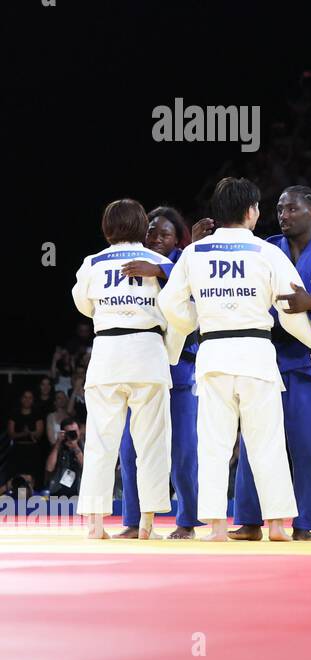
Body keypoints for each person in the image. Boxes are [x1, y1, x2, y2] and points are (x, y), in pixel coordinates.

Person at [158, 177, 311, 542]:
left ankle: (217, 525)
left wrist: (194, 319)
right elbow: (290, 307)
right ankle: (280, 525)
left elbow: (170, 304)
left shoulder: (195, 253)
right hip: (257, 357)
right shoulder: (267, 254)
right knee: (266, 442)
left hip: (214, 354)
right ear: (252, 212)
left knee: (215, 445)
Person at [230, 185, 311, 541]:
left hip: (310, 361)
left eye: (292, 209)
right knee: (255, 440)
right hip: (266, 355)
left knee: (307, 446)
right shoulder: (266, 248)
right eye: (280, 210)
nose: (284, 216)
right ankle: (251, 521)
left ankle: (304, 525)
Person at [71, 199, 182, 540]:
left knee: (101, 443)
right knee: (152, 443)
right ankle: (147, 524)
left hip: (106, 354)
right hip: (148, 354)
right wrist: (170, 353)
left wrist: (113, 314)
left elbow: (84, 305)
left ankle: (95, 524)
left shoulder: (91, 263)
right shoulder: (161, 263)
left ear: (107, 228)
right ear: (141, 227)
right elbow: (178, 313)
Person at [115, 206, 209, 539]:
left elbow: (196, 287)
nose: (156, 238)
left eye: (164, 233)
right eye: (152, 231)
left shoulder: (186, 261)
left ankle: (187, 522)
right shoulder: (127, 261)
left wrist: (157, 269)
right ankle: (133, 520)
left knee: (183, 450)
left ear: (177, 239)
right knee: (131, 448)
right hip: (141, 366)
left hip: (180, 368)